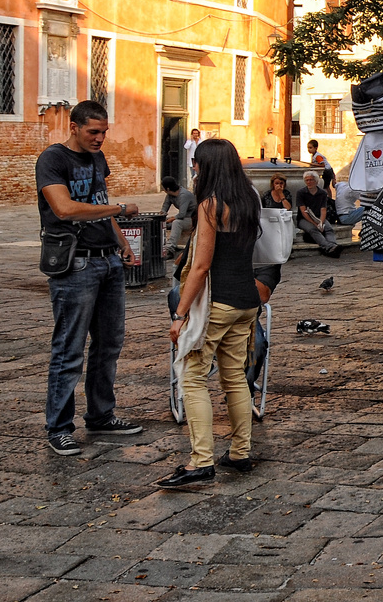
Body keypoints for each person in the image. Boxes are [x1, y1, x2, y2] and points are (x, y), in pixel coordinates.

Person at [38, 100, 144, 456]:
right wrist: (120, 209)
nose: (100, 138)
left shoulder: (98, 159)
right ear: (74, 127)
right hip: (75, 264)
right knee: (69, 349)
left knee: (109, 344)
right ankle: (59, 427)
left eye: (104, 132)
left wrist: (121, 242)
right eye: (93, 132)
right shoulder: (53, 159)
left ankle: (101, 415)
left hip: (107, 260)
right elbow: (65, 208)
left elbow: (99, 202)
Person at [158, 138, 261, 489]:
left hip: (218, 303)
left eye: (197, 164)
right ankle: (240, 452)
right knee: (235, 377)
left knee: (192, 376)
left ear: (207, 167)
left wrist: (180, 314)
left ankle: (200, 461)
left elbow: (201, 266)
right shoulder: (250, 200)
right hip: (246, 301)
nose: (194, 170)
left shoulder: (210, 205)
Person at [295, 171, 340, 257]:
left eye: (311, 180)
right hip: (304, 219)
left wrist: (321, 222)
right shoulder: (301, 192)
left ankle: (333, 245)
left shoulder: (322, 193)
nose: (309, 182)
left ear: (316, 181)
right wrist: (315, 223)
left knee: (328, 228)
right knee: (313, 229)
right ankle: (328, 246)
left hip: (318, 216)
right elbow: (303, 211)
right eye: (307, 180)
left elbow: (323, 209)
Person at [161, 175, 197, 257]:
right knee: (162, 223)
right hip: (183, 218)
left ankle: (170, 248)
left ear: (167, 189)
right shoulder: (170, 195)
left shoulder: (184, 195)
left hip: (191, 219)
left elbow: (181, 214)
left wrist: (170, 220)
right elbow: (165, 207)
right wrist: (162, 216)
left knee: (176, 223)